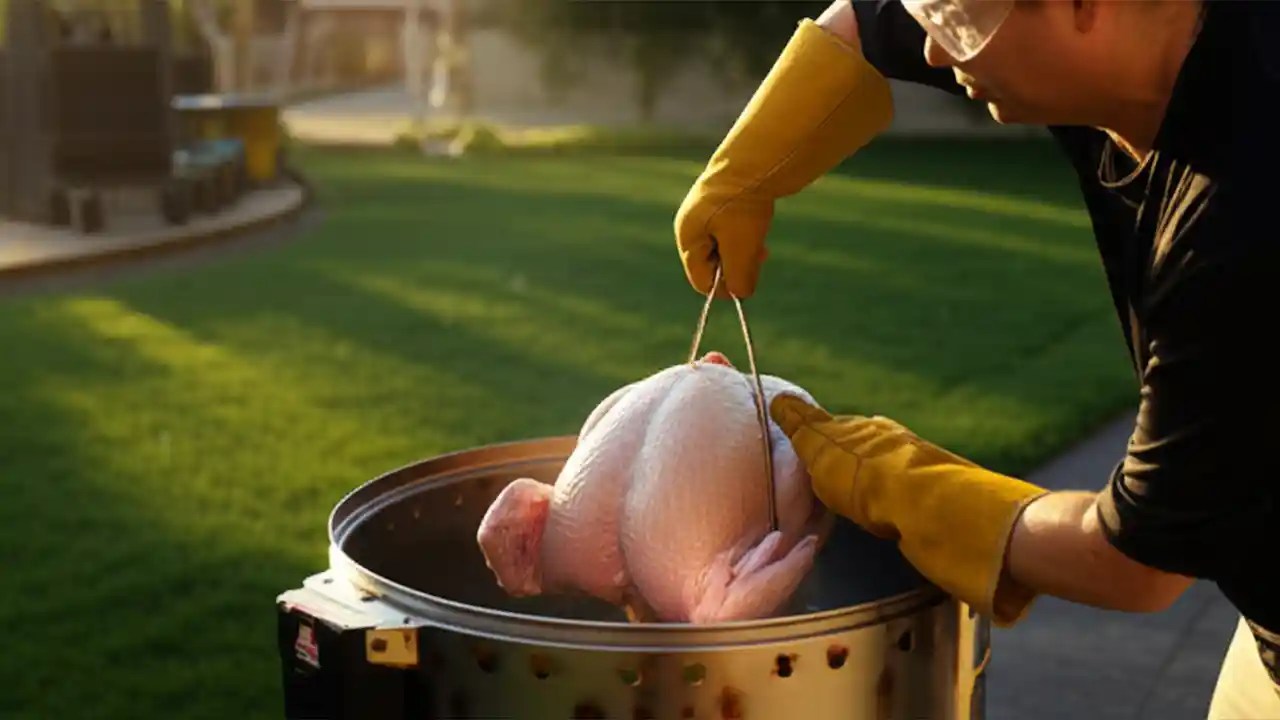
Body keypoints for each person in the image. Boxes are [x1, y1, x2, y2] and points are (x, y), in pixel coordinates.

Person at [673, 0, 1279, 717]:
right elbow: (864, 22)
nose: (934, 49)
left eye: (960, 16)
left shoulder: (1239, 224)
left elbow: (1139, 562)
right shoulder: (1144, 57)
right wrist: (746, 167)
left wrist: (895, 483)